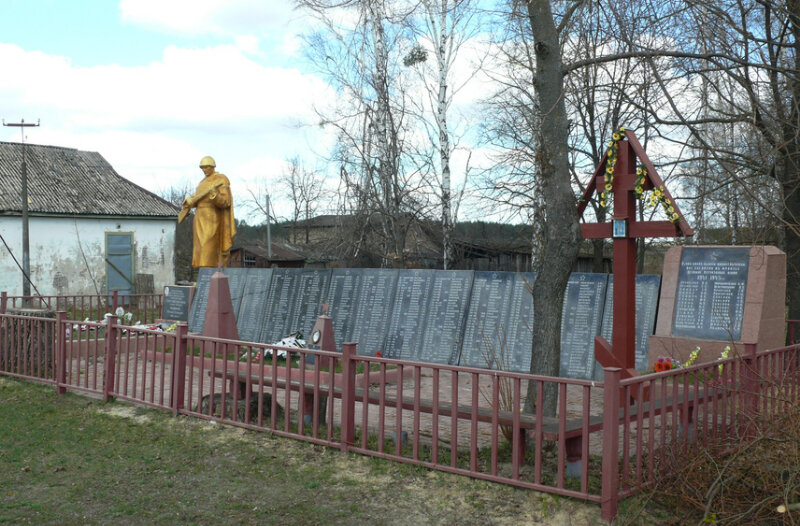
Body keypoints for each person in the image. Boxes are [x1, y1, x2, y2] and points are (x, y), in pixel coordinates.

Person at [180, 156, 236, 268]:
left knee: (208, 245)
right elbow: (197, 199)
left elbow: (225, 201)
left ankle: (210, 273)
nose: (204, 170)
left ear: (212, 167)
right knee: (199, 247)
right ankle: (202, 275)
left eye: (206, 167)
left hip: (212, 218)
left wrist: (214, 195)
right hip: (199, 217)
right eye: (202, 168)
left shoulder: (221, 179)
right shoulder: (202, 182)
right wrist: (190, 201)